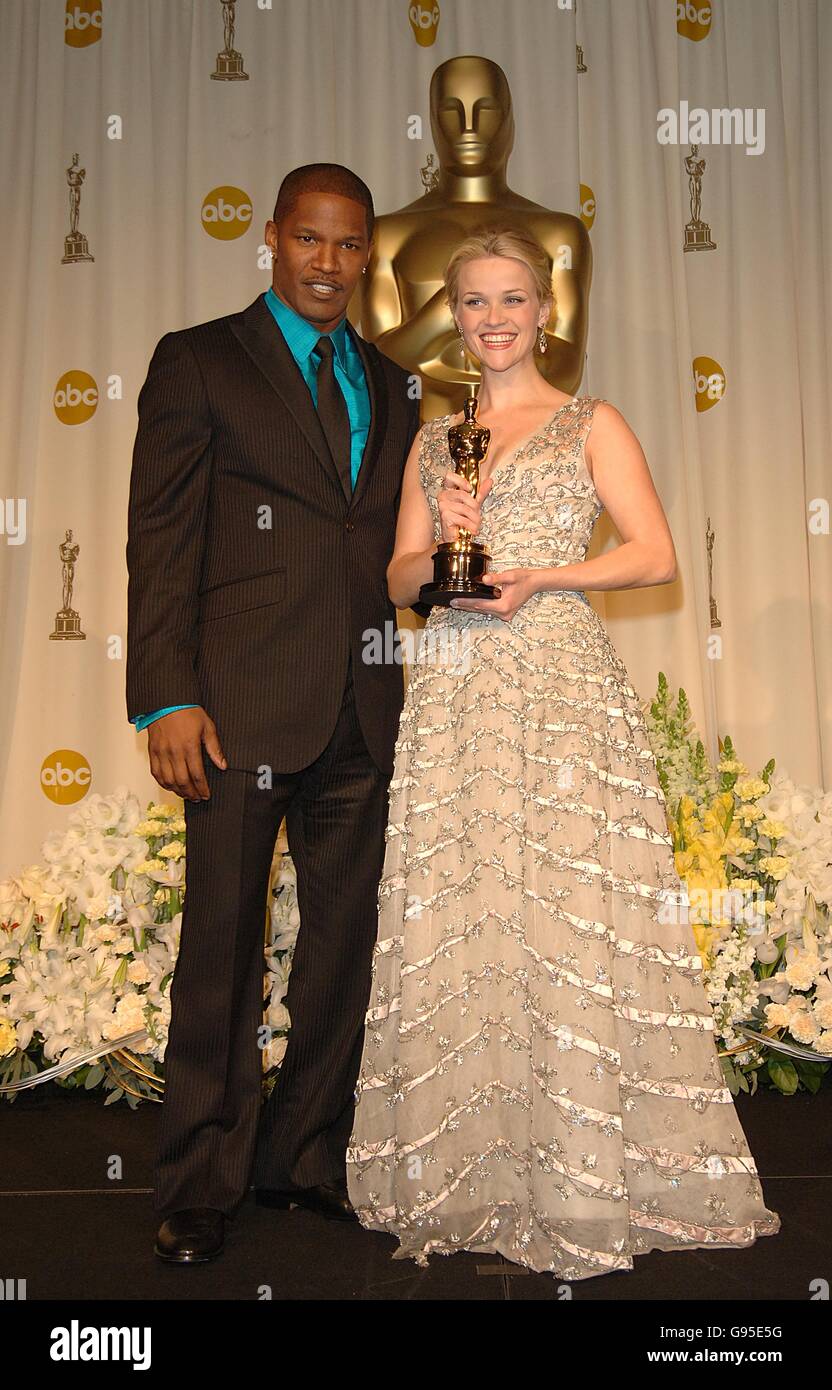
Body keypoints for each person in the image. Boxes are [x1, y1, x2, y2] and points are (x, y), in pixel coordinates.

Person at [346, 225, 781, 1279]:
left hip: (561, 684)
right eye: (476, 302)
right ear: (456, 314)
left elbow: (653, 553)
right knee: (467, 905)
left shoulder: (591, 421)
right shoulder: (432, 440)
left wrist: (542, 575)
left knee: (568, 909)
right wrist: (441, 544)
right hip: (455, 688)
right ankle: (474, 1169)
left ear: (544, 312)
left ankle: (587, 1172)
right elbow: (399, 578)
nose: (494, 318)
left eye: (512, 300)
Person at [126, 164, 420, 1263]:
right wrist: (167, 693)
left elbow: (391, 545)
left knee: (343, 948)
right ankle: (200, 1179)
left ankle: (305, 1158)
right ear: (273, 238)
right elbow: (159, 538)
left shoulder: (396, 386)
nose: (330, 264)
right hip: (238, 704)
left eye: (350, 247)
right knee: (221, 950)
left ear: (368, 254)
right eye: (312, 240)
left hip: (364, 704)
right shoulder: (200, 359)